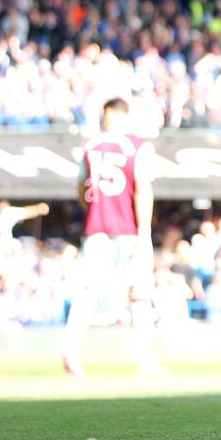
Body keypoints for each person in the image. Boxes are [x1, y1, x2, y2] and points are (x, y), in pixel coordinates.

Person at [62, 97, 163, 376]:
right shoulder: (138, 146)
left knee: (89, 293)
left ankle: (69, 350)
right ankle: (145, 359)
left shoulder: (90, 146)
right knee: (140, 292)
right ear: (125, 117)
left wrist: (94, 208)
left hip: (96, 227)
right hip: (128, 229)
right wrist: (144, 232)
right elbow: (143, 188)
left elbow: (81, 190)